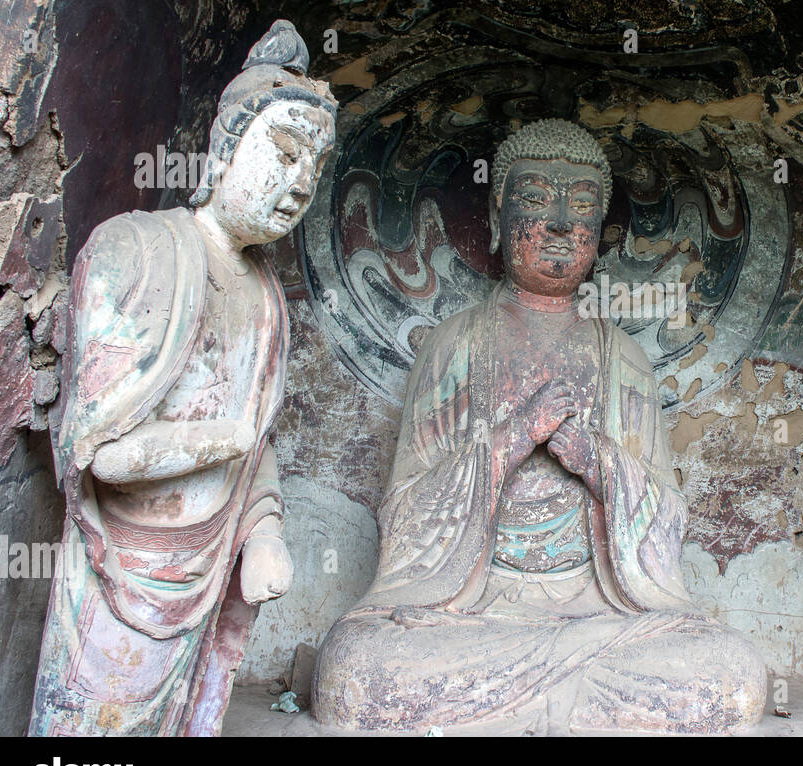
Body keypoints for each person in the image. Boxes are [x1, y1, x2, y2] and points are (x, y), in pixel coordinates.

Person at [313, 118, 767, 734]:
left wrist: (597, 461)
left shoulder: (624, 361)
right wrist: (510, 442)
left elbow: (666, 519)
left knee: (730, 676)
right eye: (535, 200)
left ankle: (520, 700)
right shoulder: (455, 345)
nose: (559, 224)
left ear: (599, 232)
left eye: (581, 206)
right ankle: (563, 699)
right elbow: (406, 516)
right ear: (499, 216)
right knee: (358, 670)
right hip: (475, 609)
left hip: (600, 611)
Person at [29, 20, 337, 736]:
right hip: (122, 574)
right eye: (284, 152)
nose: (297, 186)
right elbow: (101, 452)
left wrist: (263, 532)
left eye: (313, 171)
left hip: (206, 573)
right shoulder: (135, 250)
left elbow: (258, 449)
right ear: (225, 147)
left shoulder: (266, 301)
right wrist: (222, 438)